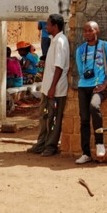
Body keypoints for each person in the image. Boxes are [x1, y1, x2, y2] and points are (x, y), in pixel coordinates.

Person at [74, 21, 107, 164]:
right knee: (84, 119)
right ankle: (86, 153)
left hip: (99, 87)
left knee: (94, 106)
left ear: (97, 31)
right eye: (85, 31)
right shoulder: (80, 50)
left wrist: (105, 84)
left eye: (90, 30)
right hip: (83, 86)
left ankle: (100, 143)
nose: (87, 33)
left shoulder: (106, 47)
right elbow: (81, 70)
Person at [27, 13, 70, 157]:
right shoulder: (55, 40)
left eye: (48, 24)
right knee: (44, 116)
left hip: (56, 89)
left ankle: (50, 146)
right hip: (48, 87)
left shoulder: (60, 41)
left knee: (53, 118)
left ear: (55, 26)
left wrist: (52, 87)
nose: (46, 26)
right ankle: (41, 144)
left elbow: (59, 67)